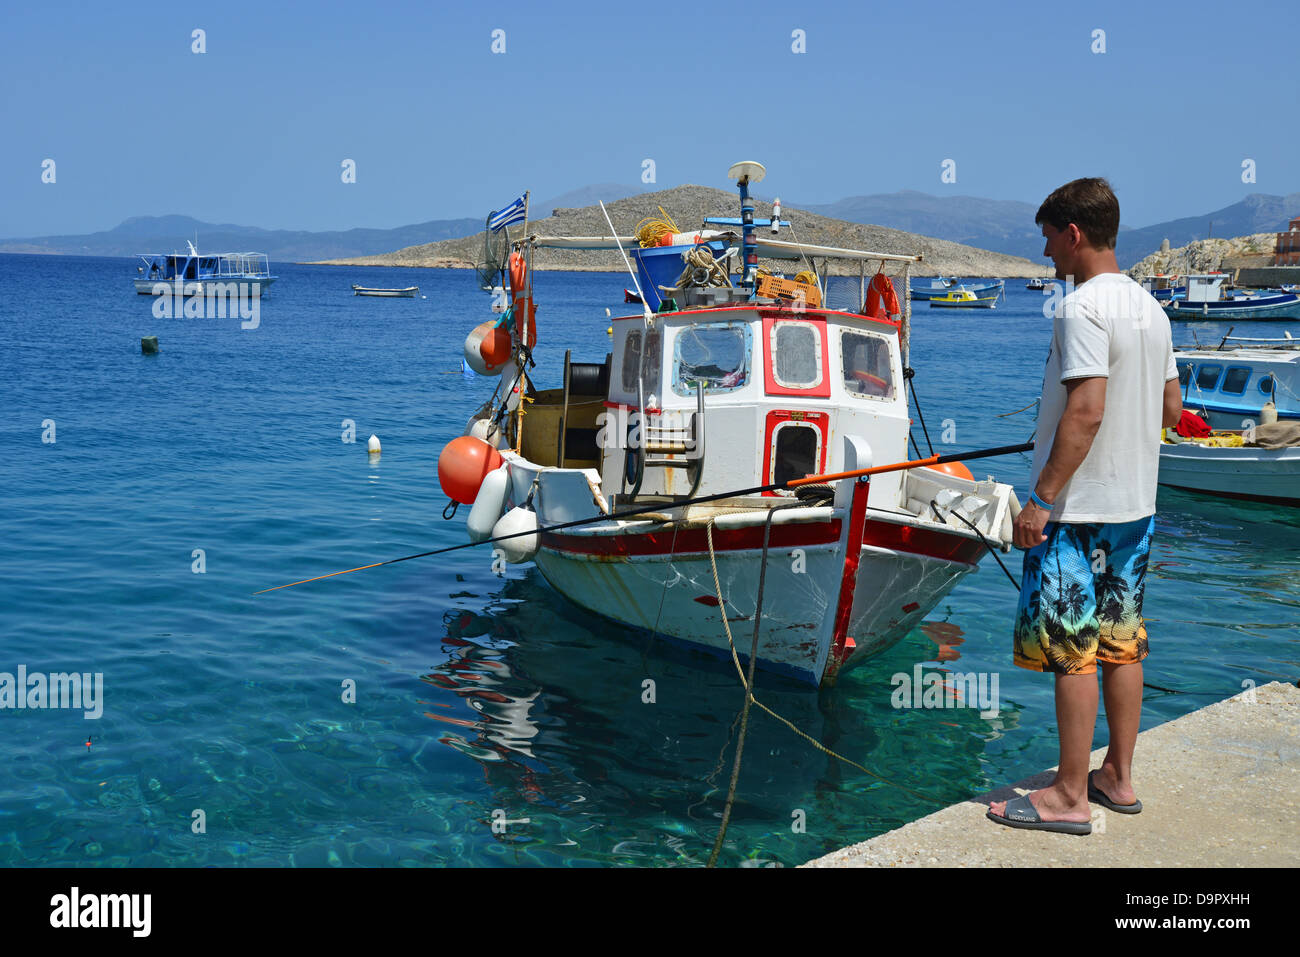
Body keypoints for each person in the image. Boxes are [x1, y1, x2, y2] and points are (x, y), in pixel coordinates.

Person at [987, 178, 1182, 835]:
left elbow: (1088, 408)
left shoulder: (1080, 308)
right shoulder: (1151, 309)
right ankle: (1117, 778)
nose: (1046, 253)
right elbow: (1171, 409)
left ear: (1074, 234)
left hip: (1078, 514)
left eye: (1048, 238)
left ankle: (1070, 794)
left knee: (1072, 648)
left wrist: (1040, 500)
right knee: (1122, 644)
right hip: (1135, 507)